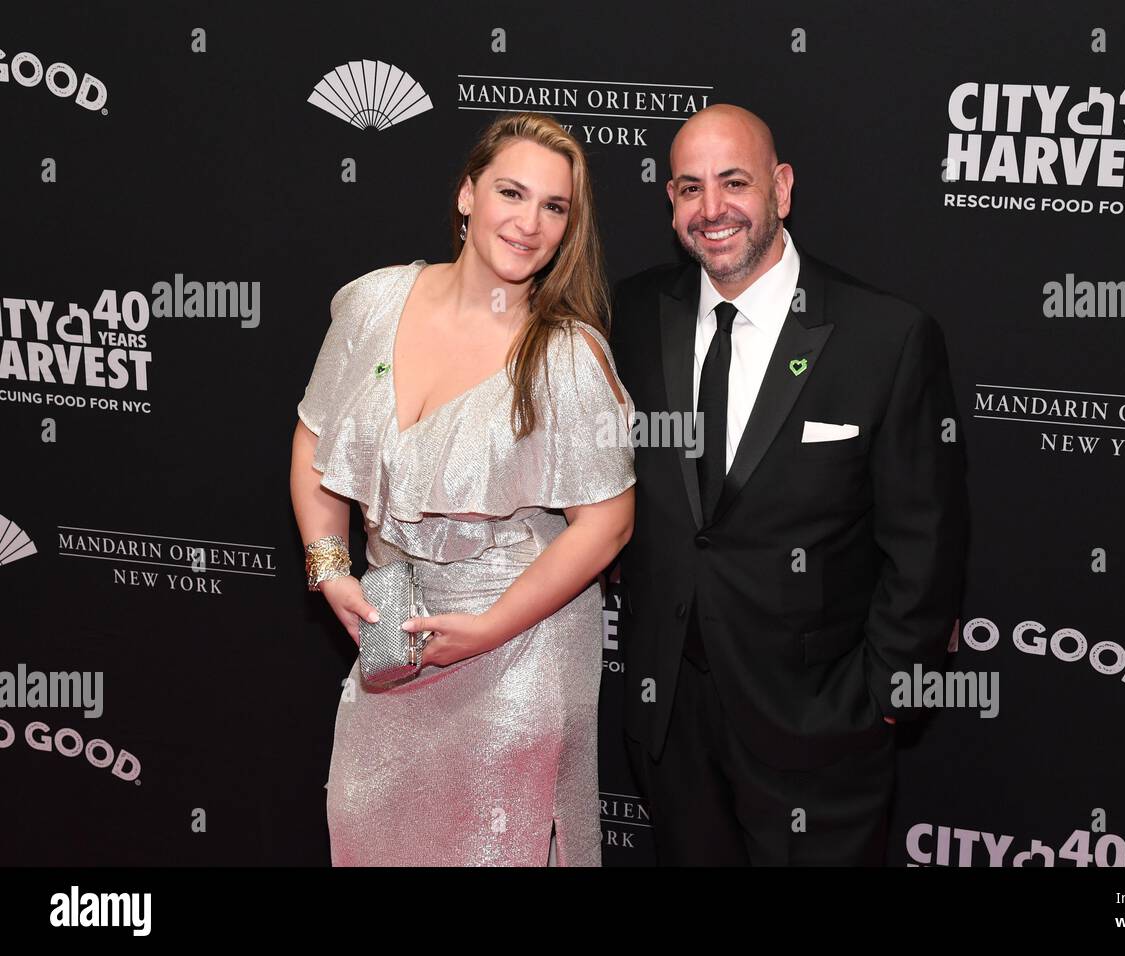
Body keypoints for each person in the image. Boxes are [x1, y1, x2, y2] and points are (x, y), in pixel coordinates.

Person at [609, 104, 969, 865]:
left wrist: (880, 702)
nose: (712, 210)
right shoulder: (632, 316)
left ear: (782, 187)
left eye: (733, 182)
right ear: (669, 202)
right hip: (670, 721)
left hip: (820, 730)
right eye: (688, 188)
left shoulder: (885, 335)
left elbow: (925, 543)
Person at [289, 112, 635, 866]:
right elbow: (316, 439)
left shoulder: (568, 354)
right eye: (512, 192)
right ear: (466, 195)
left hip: (520, 647)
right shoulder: (374, 303)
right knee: (370, 827)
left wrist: (489, 626)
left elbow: (606, 523)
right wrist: (330, 567)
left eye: (555, 207)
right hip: (396, 619)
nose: (530, 222)